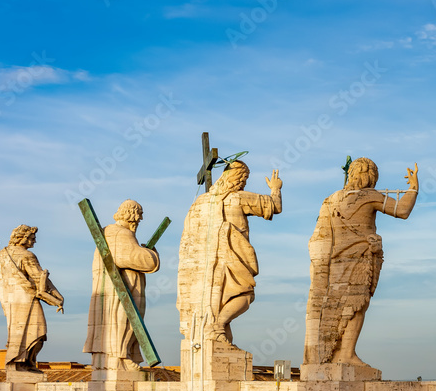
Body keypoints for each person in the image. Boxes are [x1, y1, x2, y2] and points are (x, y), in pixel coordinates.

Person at [304, 157, 418, 367]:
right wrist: (413, 188)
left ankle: (336, 355)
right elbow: (402, 210)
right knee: (357, 304)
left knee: (336, 306)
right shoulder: (370, 196)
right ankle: (346, 354)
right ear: (370, 175)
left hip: (331, 263)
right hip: (358, 258)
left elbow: (317, 238)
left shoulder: (330, 200)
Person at [177, 160, 281, 349]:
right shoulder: (237, 198)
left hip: (202, 266)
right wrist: (275, 188)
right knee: (246, 293)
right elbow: (274, 206)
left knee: (220, 301)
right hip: (230, 256)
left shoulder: (198, 203)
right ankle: (216, 327)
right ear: (238, 178)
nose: (245, 183)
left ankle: (218, 331)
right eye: (245, 178)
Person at [83, 199, 160, 371]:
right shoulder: (118, 233)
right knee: (122, 322)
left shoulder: (112, 233)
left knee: (125, 323)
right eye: (139, 216)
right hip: (119, 293)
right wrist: (152, 254)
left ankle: (121, 356)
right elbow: (133, 258)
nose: (139, 221)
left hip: (121, 289)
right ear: (132, 214)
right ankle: (119, 357)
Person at [0, 225, 63, 373]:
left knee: (16, 332)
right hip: (26, 299)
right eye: (32, 238)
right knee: (38, 332)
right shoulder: (27, 255)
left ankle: (19, 364)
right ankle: (25, 364)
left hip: (8, 301)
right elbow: (39, 278)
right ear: (23, 238)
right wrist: (58, 296)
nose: (34, 242)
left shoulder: (0, 255)